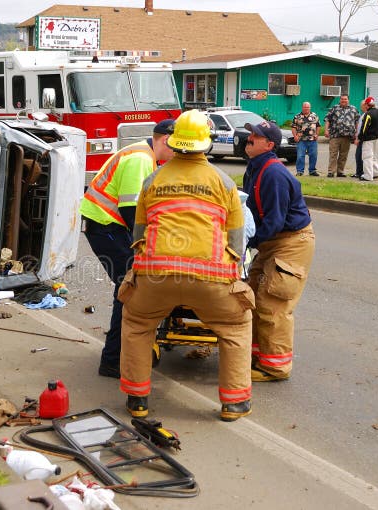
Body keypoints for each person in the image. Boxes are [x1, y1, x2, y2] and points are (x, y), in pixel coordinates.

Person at [119, 109, 253, 422]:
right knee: (235, 327)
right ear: (206, 144)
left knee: (137, 325)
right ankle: (234, 403)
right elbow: (236, 240)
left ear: (175, 142)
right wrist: (231, 279)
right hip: (211, 277)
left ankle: (137, 399)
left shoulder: (153, 180)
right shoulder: (223, 182)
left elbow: (138, 235)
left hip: (156, 276)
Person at [80, 119, 176, 379]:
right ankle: (113, 361)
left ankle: (117, 355)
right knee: (129, 288)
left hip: (108, 225)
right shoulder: (141, 159)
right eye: (176, 148)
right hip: (105, 225)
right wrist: (150, 246)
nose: (176, 154)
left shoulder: (143, 154)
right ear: (165, 140)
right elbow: (131, 211)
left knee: (128, 288)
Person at [241, 119, 315, 382]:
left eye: (254, 137)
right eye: (249, 134)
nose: (248, 139)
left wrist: (244, 243)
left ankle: (274, 367)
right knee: (250, 296)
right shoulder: (255, 167)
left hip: (291, 243)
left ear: (269, 144)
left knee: (273, 304)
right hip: (272, 242)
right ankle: (256, 354)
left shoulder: (273, 173)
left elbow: (272, 221)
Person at [324, 95, 359, 177]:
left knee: (344, 155)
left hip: (347, 136)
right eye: (342, 99)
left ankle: (340, 171)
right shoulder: (334, 108)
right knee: (333, 154)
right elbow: (327, 119)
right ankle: (331, 172)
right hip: (335, 135)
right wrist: (326, 130)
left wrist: (357, 132)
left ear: (348, 100)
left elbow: (357, 121)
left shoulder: (353, 109)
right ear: (340, 100)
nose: (344, 100)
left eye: (345, 99)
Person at [358, 96, 378, 181]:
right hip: (377, 137)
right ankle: (376, 172)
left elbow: (364, 127)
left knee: (367, 157)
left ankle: (368, 176)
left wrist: (360, 137)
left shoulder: (368, 114)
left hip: (368, 139)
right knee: (374, 156)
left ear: (367, 105)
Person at [292, 101, 320, 177]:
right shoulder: (297, 116)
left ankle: (312, 171)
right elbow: (293, 127)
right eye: (305, 107)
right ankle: (300, 171)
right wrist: (295, 136)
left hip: (312, 140)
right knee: (300, 156)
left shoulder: (314, 116)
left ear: (310, 108)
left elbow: (318, 126)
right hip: (301, 140)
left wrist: (317, 134)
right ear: (302, 107)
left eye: (307, 107)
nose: (306, 108)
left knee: (313, 155)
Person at [352, 100, 368, 178]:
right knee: (358, 156)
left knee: (360, 156)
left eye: (362, 105)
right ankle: (358, 172)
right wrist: (356, 134)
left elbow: (363, 129)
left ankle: (361, 172)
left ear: (365, 106)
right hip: (360, 138)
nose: (361, 107)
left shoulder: (366, 115)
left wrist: (358, 138)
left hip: (363, 139)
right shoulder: (363, 115)